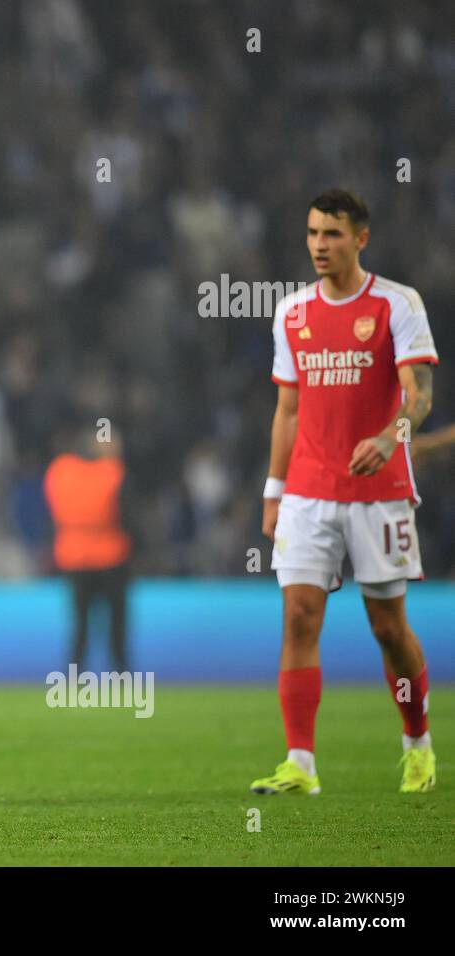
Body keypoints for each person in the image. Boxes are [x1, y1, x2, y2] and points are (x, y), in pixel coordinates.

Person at [253, 189, 438, 797]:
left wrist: (392, 437)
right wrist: (273, 492)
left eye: (331, 235)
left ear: (361, 238)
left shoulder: (396, 304)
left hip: (379, 491)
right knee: (299, 616)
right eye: (311, 234)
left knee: (388, 628)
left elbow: (420, 396)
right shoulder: (292, 312)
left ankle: (416, 741)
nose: (318, 246)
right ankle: (299, 764)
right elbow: (287, 409)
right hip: (308, 490)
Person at [43, 431, 132, 672]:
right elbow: (127, 516)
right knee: (116, 622)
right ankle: (121, 672)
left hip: (73, 556)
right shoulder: (113, 473)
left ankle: (75, 672)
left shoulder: (60, 471)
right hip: (111, 556)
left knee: (79, 622)